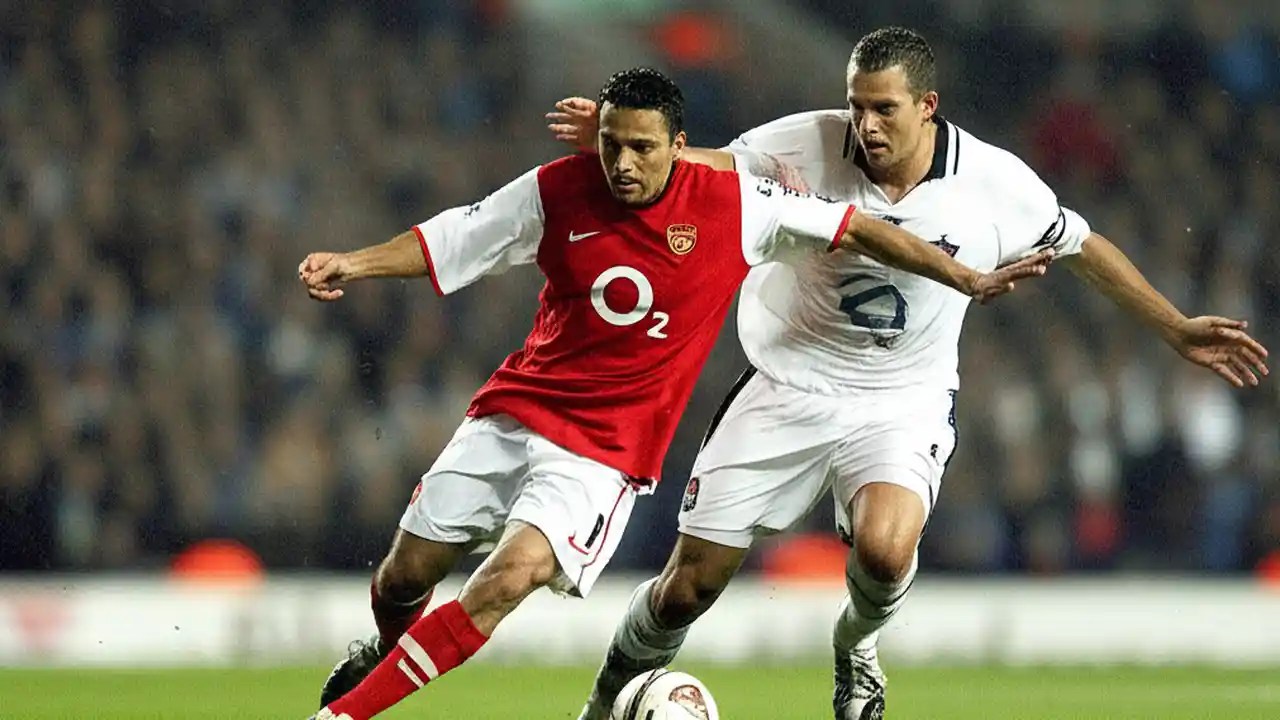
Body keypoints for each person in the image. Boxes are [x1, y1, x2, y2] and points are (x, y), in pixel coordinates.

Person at [547, 28, 1271, 720]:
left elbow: (1082, 246)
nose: (864, 124)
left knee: (887, 551)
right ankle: (604, 698)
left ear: (928, 106)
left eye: (883, 108)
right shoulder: (802, 142)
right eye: (856, 105)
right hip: (787, 383)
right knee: (688, 587)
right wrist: (628, 153)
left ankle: (857, 645)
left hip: (901, 398)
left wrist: (1174, 326)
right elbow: (708, 169)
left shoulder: (993, 183)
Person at [299, 67, 1048, 720]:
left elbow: (858, 228)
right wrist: (354, 264)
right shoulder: (558, 188)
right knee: (403, 578)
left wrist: (964, 277)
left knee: (509, 578)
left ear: (679, 145)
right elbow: (455, 237)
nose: (622, 164)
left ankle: (342, 717)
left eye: (641, 149)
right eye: (611, 145)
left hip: (604, 452)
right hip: (515, 409)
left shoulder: (737, 203)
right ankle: (386, 652)